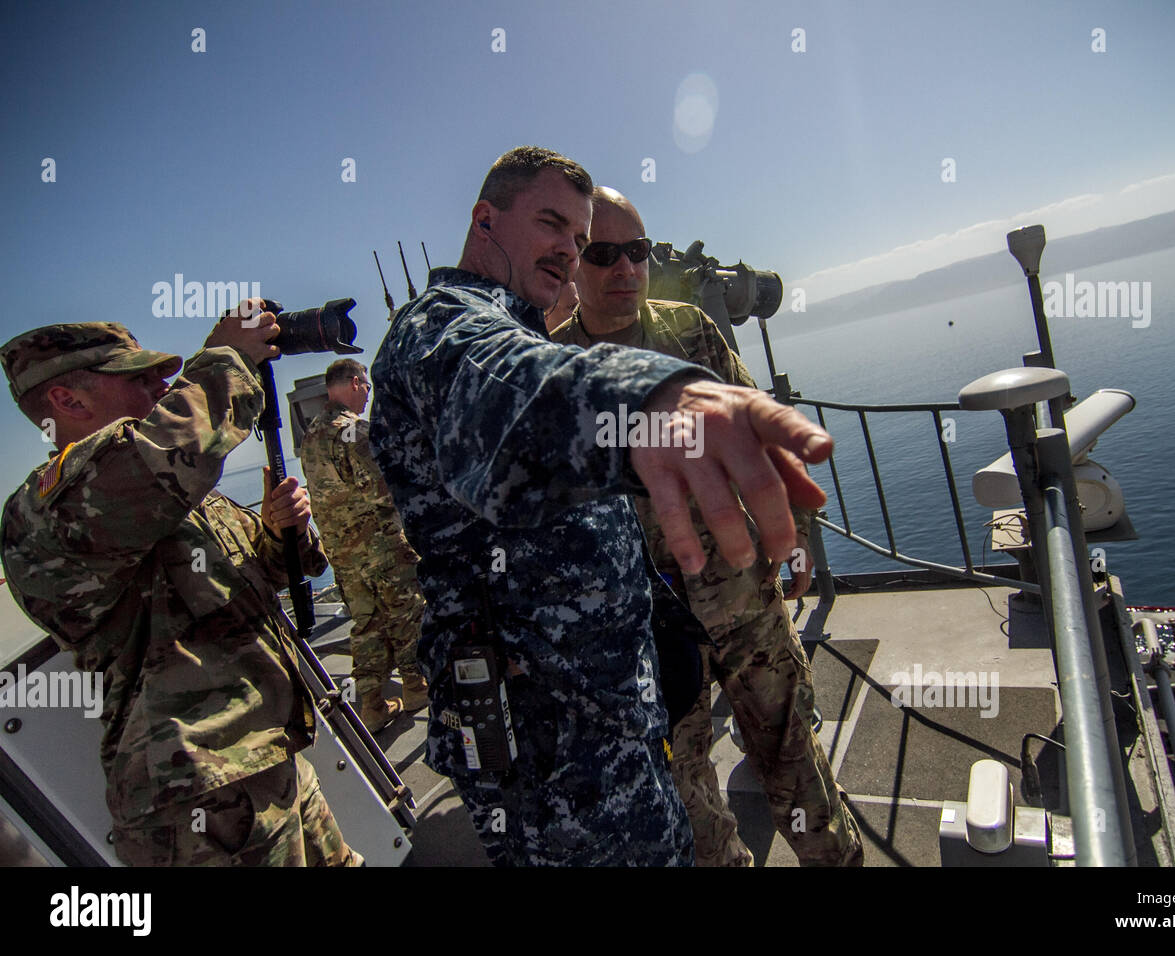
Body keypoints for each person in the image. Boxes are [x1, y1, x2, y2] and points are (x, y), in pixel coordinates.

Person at [368, 146, 836, 866]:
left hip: (639, 679)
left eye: (581, 238)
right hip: (560, 759)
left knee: (787, 757)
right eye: (556, 226)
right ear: (485, 218)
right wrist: (647, 397)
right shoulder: (445, 329)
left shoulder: (629, 329)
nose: (574, 250)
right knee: (702, 824)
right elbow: (508, 385)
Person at [554, 186, 864, 867]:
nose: (625, 270)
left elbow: (756, 422)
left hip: (740, 592)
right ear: (574, 262)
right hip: (647, 628)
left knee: (792, 756)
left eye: (635, 252)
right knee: (684, 791)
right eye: (604, 255)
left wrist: (801, 529)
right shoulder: (553, 370)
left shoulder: (690, 330)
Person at [0, 306, 361, 866]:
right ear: (68, 402)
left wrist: (276, 531)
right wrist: (230, 357)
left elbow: (269, 572)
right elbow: (169, 454)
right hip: (197, 803)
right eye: (138, 379)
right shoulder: (48, 514)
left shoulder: (166, 498)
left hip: (264, 762)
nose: (161, 386)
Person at [299, 358, 427, 734]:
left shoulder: (311, 435)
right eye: (367, 389)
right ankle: (416, 685)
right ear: (356, 383)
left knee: (367, 624)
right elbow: (382, 493)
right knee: (406, 611)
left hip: (342, 551)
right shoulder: (353, 432)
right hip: (378, 544)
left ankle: (370, 703)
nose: (368, 397)